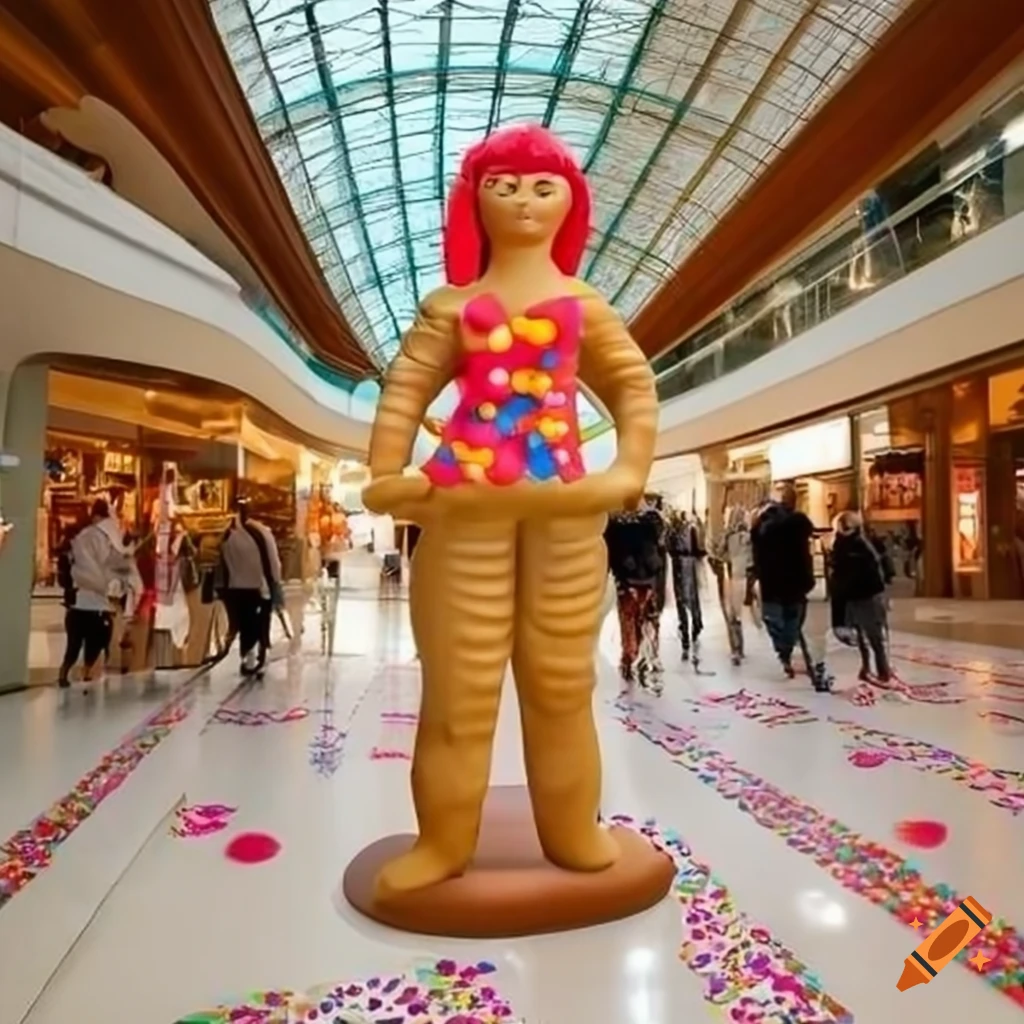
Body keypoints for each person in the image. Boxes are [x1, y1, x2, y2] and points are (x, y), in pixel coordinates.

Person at [361, 123, 658, 895]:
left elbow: (632, 384)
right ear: (476, 200)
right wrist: (386, 473)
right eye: (505, 185)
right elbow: (406, 391)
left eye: (542, 185)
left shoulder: (583, 304)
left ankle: (573, 833)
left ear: (570, 201)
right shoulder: (452, 306)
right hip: (463, 509)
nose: (524, 200)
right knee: (458, 692)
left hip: (563, 514)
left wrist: (627, 469)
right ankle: (443, 843)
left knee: (562, 686)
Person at [750, 482, 833, 691]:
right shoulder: (797, 522)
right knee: (791, 619)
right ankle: (786, 650)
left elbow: (756, 547)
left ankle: (784, 651)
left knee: (777, 620)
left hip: (775, 581)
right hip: (794, 581)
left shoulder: (764, 524)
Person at [59, 499, 131, 689]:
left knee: (74, 646)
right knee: (96, 644)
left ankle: (68, 673)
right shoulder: (102, 538)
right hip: (96, 606)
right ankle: (88, 675)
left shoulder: (81, 538)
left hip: (79, 605)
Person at [606, 503, 665, 696]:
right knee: (647, 620)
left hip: (628, 580)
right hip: (647, 580)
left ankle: (630, 657)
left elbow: (610, 554)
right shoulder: (650, 522)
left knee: (629, 620)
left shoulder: (614, 524)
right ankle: (643, 656)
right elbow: (659, 546)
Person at [218, 499, 282, 676]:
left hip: (238, 586)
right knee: (258, 622)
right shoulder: (260, 532)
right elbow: (273, 561)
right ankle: (255, 654)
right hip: (257, 586)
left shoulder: (227, 534)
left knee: (245, 622)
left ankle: (250, 655)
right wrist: (275, 581)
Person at [830, 511, 891, 681]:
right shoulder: (854, 544)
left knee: (871, 636)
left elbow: (844, 575)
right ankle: (872, 668)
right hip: (861, 595)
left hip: (864, 595)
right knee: (868, 636)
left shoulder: (852, 546)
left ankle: (880, 669)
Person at [714, 504, 752, 666]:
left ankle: (736, 649)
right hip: (746, 577)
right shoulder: (750, 537)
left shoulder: (729, 536)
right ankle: (739, 648)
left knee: (732, 616)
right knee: (737, 615)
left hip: (733, 578)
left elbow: (720, 554)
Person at [665, 508, 704, 664]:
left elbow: (668, 548)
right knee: (692, 597)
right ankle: (694, 625)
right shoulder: (691, 528)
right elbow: (698, 550)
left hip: (678, 565)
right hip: (689, 565)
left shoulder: (672, 531)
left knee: (682, 599)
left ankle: (687, 629)